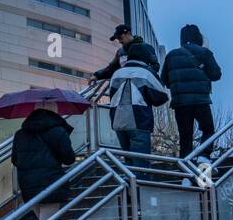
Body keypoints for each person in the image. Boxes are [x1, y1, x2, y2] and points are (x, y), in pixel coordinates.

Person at [11, 103, 77, 220]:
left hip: (27, 187)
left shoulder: (20, 134)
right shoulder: (58, 131)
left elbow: (15, 160)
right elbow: (69, 159)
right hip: (51, 185)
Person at [160, 24, 223, 158]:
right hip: (200, 100)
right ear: (198, 37)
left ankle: (186, 164)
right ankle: (204, 156)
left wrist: (178, 85)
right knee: (208, 130)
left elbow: (164, 79)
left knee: (185, 135)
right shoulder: (204, 53)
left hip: (180, 102)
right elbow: (216, 75)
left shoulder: (171, 55)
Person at [107, 58, 169, 155]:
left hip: (118, 120)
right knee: (141, 159)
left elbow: (111, 95)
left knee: (127, 158)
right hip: (139, 119)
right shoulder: (146, 73)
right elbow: (161, 96)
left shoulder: (116, 73)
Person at [94, 24, 160, 82]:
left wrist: (140, 73)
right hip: (124, 87)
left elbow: (155, 66)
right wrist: (97, 76)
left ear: (128, 33)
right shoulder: (120, 52)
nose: (119, 41)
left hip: (143, 86)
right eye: (117, 39)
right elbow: (111, 69)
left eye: (120, 37)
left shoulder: (146, 48)